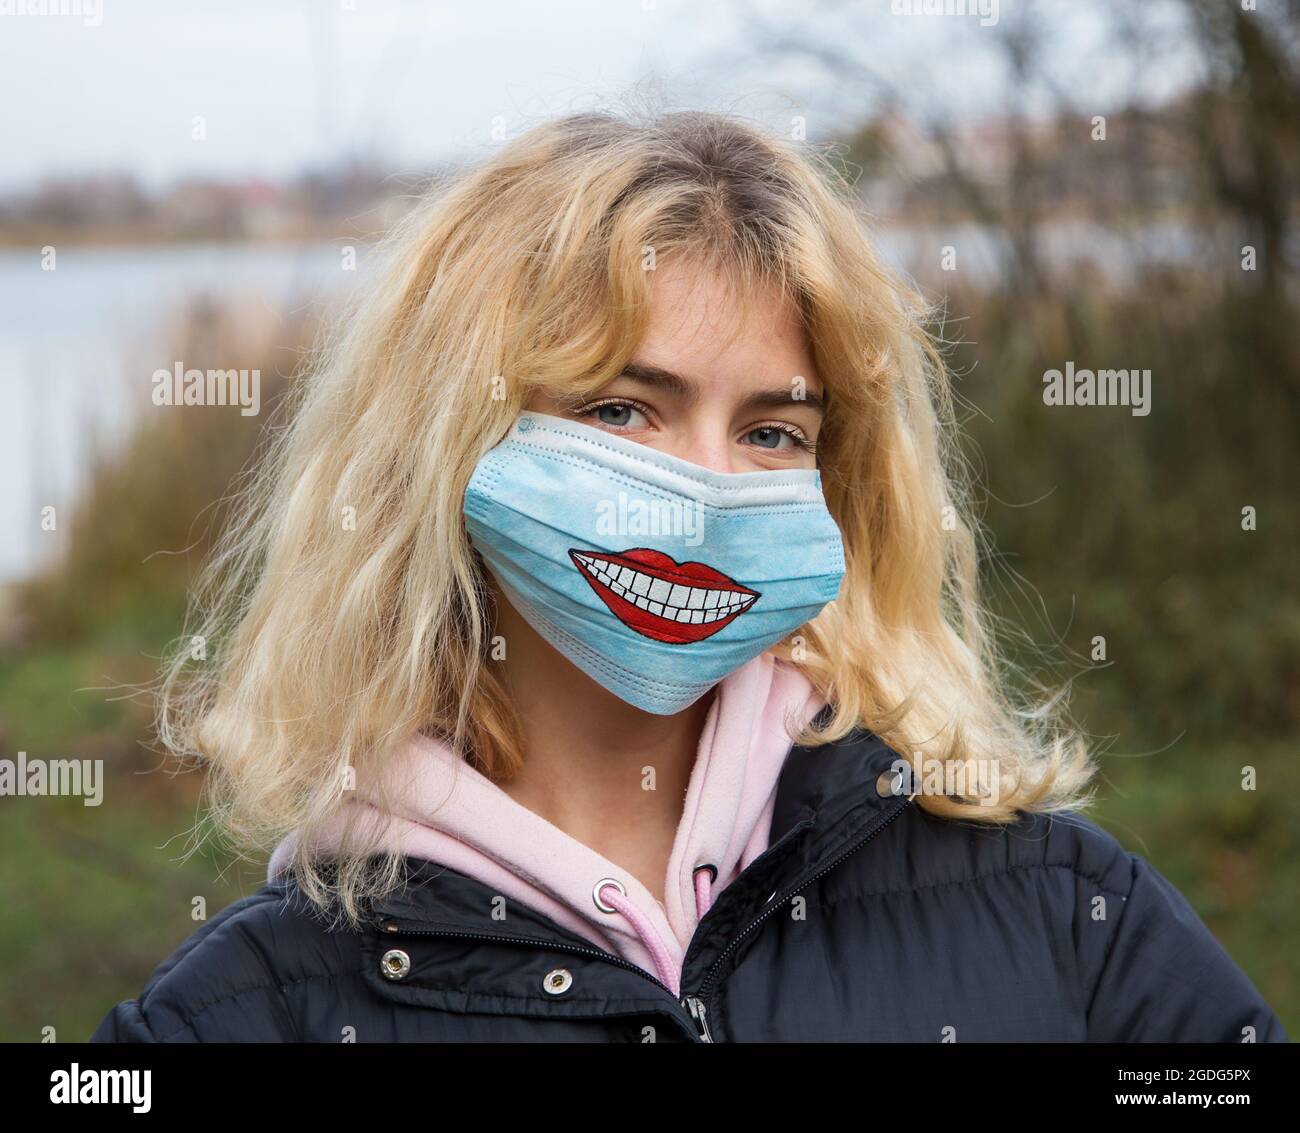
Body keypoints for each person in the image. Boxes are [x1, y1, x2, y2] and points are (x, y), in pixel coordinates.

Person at [91, 109, 1285, 1043]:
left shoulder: (1052, 901)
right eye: (623, 408)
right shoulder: (252, 1006)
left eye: (771, 431)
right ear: (444, 444)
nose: (706, 487)